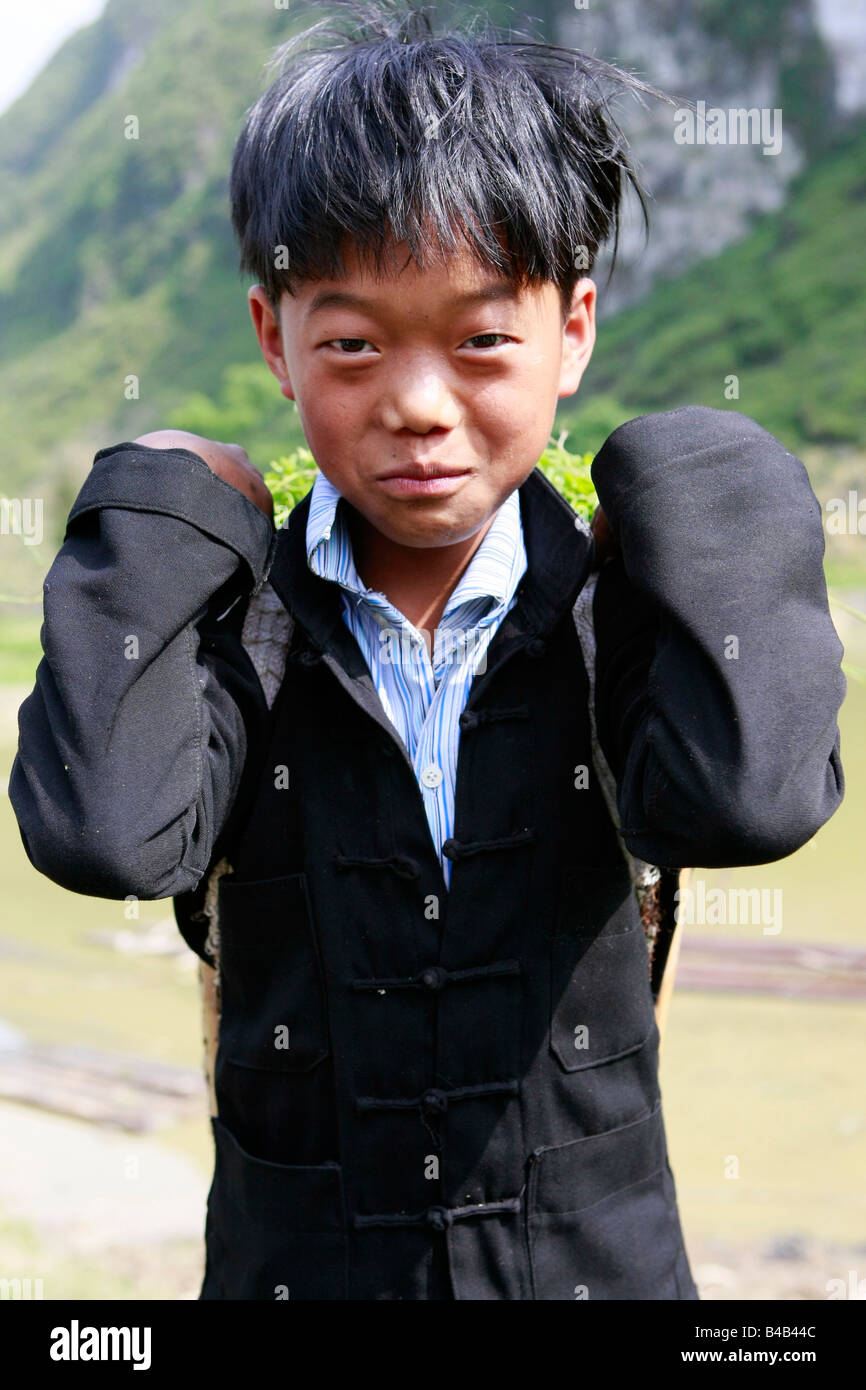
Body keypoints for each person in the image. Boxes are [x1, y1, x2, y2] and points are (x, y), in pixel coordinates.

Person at [9, 1, 845, 1300]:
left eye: (479, 341)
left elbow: (751, 796)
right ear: (269, 336)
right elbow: (107, 834)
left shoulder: (605, 616)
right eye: (350, 342)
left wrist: (698, 471)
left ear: (570, 332)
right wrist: (165, 498)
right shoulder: (242, 631)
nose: (414, 403)